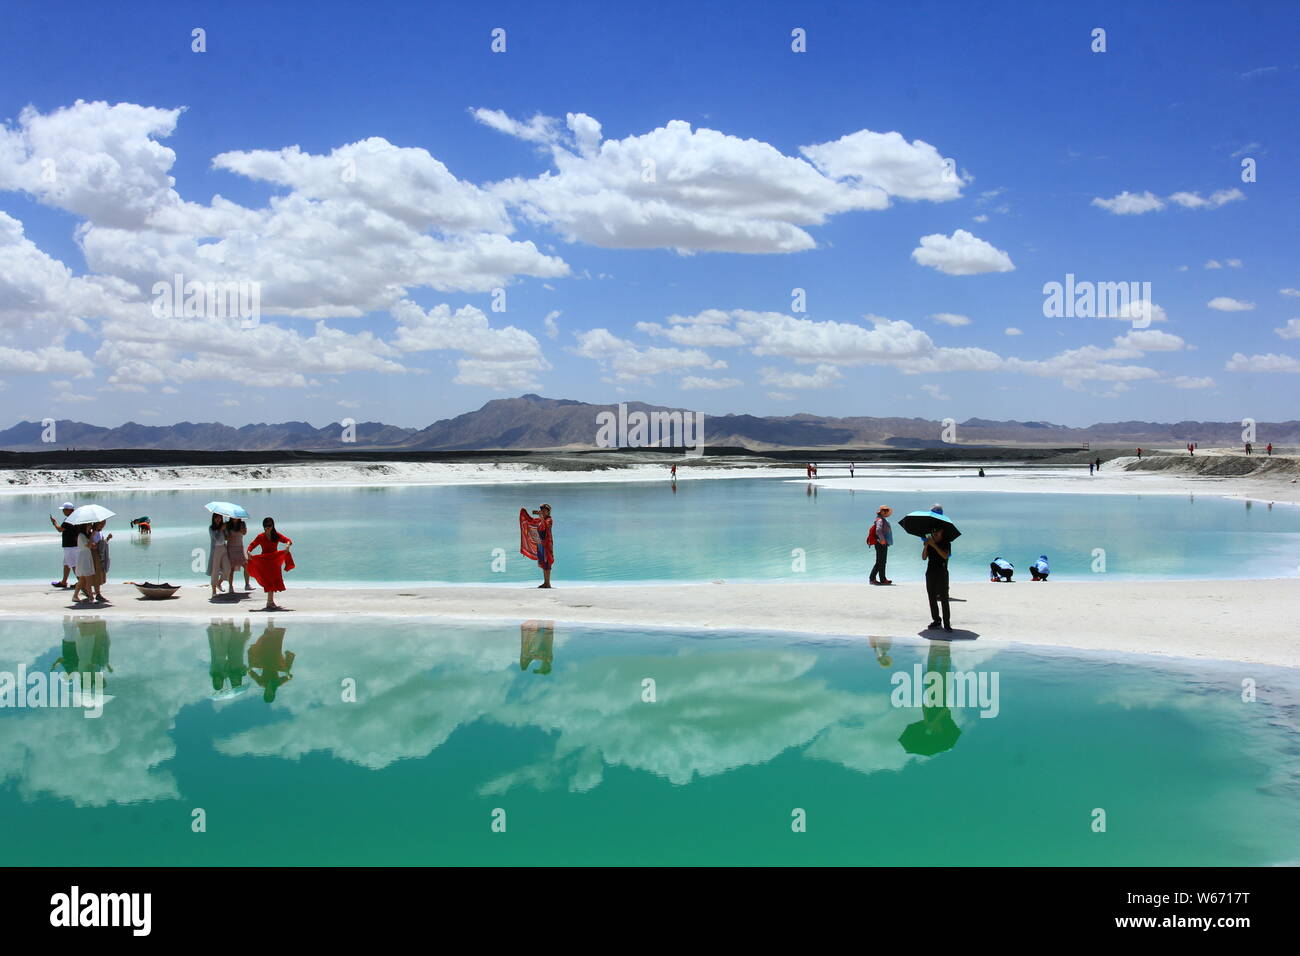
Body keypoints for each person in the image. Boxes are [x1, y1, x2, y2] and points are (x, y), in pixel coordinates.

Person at [246, 517, 294, 610]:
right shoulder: (261, 536)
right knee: (268, 581)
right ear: (263, 526)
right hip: (264, 561)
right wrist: (248, 552)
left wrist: (287, 546)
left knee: (273, 581)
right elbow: (252, 545)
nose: (268, 527)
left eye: (269, 525)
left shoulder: (276, 535)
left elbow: (288, 540)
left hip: (275, 561)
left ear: (272, 526)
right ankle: (270, 602)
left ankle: (270, 602)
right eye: (266, 526)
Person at [248, 623, 295, 702]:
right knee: (276, 645)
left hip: (264, 661)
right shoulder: (277, 683)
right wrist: (288, 674)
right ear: (273, 694)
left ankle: (270, 625)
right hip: (275, 661)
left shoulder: (261, 683)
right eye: (270, 695)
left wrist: (250, 668)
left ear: (265, 693)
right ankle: (273, 625)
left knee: (267, 643)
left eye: (267, 694)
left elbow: (251, 674)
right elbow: (289, 677)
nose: (268, 693)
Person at [922, 520, 952, 633]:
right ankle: (936, 620)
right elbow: (924, 557)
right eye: (933, 531)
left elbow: (945, 556)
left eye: (937, 531)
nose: (935, 533)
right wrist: (926, 546)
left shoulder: (946, 542)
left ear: (942, 531)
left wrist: (934, 545)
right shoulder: (929, 542)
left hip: (942, 571)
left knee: (944, 598)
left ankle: (947, 623)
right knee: (931, 597)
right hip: (930, 572)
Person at [519, 504, 555, 588]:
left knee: (547, 563)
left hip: (547, 545)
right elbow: (531, 521)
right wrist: (525, 514)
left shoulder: (549, 520)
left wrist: (541, 517)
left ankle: (548, 583)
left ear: (548, 512)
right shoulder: (540, 520)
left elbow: (545, 526)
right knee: (543, 562)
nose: (543, 511)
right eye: (542, 510)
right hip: (540, 544)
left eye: (545, 510)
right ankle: (545, 582)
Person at [50, 502, 78, 588]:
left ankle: (81, 582)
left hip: (71, 546)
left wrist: (54, 523)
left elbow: (60, 529)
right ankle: (64, 581)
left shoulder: (69, 520)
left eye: (65, 510)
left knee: (72, 564)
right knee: (67, 564)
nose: (63, 511)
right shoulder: (76, 519)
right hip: (72, 545)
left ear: (70, 510)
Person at [867, 505, 893, 585]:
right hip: (881, 543)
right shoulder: (880, 520)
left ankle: (882, 579)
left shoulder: (881, 519)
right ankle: (872, 578)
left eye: (886, 511)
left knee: (882, 561)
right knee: (880, 562)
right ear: (881, 512)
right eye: (884, 511)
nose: (886, 512)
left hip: (882, 543)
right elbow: (878, 530)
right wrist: (882, 540)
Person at [72, 524, 97, 604]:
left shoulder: (85, 536)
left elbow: (90, 545)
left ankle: (75, 596)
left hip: (86, 558)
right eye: (89, 525)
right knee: (88, 579)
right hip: (83, 559)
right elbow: (88, 545)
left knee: (82, 579)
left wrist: (92, 542)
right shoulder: (81, 536)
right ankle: (91, 597)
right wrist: (92, 535)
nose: (90, 527)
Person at [206, 513, 230, 598]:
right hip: (216, 549)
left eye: (220, 518)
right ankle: (214, 590)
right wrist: (221, 529)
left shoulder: (223, 527)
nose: (218, 519)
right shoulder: (211, 528)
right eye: (216, 518)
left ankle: (219, 583)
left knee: (228, 568)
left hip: (224, 548)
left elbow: (227, 537)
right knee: (215, 570)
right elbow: (216, 538)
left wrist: (225, 529)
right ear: (214, 518)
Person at [225, 517, 250, 592]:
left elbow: (244, 533)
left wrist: (241, 528)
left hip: (240, 548)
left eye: (236, 517)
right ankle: (230, 587)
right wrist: (228, 534)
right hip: (231, 548)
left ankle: (247, 585)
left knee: (246, 565)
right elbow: (225, 538)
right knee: (231, 568)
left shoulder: (242, 524)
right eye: (233, 517)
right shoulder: (227, 525)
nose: (234, 518)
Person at [91, 521, 112, 602]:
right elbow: (92, 545)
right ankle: (97, 594)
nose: (103, 525)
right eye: (102, 524)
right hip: (95, 556)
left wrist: (108, 538)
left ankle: (96, 593)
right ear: (97, 524)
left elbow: (103, 544)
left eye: (104, 524)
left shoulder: (100, 533)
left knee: (99, 575)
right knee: (96, 575)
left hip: (100, 557)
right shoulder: (92, 533)